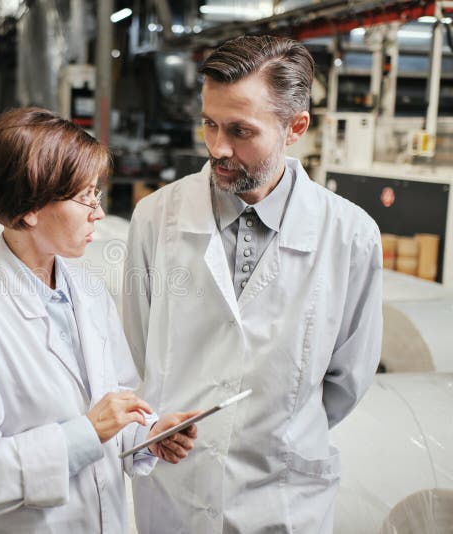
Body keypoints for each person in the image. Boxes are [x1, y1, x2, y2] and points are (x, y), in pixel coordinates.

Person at [123, 35, 383, 533]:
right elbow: (135, 349)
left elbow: (347, 379)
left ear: (295, 128)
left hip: (283, 495)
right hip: (179, 488)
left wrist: (274, 434)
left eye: (241, 130)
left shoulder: (350, 236)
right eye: (210, 125)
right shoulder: (157, 218)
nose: (219, 147)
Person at [0, 107, 199, 533]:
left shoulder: (87, 292)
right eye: (85, 196)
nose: (98, 213)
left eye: (98, 195)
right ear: (30, 208)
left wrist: (148, 434)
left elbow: (116, 399)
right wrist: (85, 434)